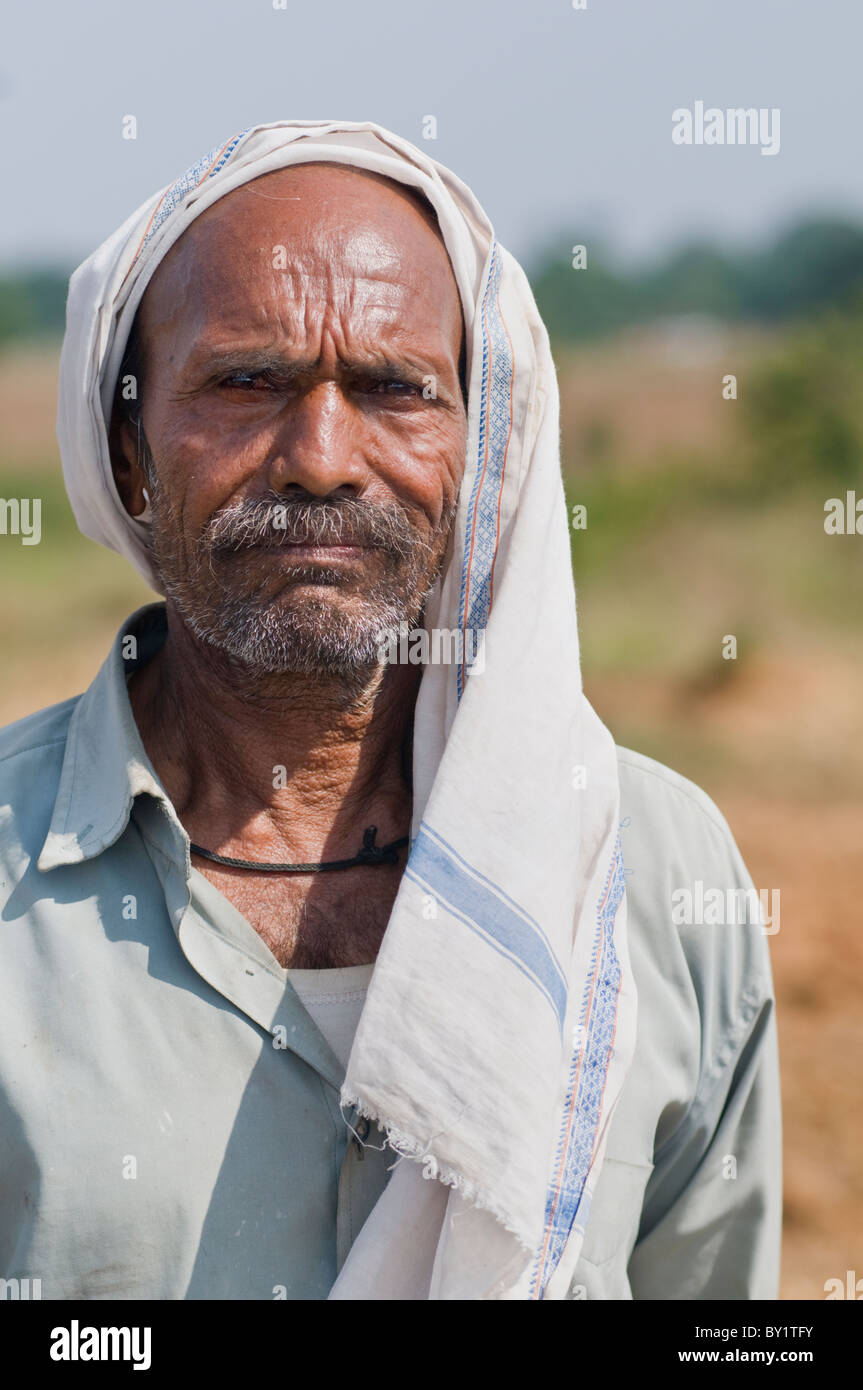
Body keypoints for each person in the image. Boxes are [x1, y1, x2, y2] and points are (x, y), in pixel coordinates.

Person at [0, 120, 781, 1300]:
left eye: (392, 390)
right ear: (128, 447)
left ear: (488, 446)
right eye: (245, 381)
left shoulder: (647, 871)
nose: (319, 457)